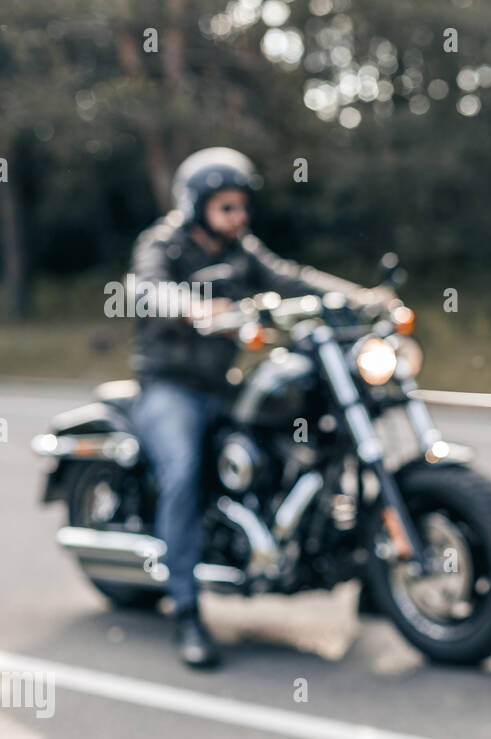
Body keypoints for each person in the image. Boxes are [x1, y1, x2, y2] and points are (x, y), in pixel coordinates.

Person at [129, 147, 378, 668]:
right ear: (197, 206)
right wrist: (193, 306)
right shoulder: (163, 243)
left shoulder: (242, 250)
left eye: (241, 206)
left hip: (222, 386)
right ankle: (187, 610)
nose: (238, 216)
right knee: (183, 472)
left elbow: (292, 278)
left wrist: (359, 298)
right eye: (226, 207)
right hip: (169, 388)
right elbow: (146, 290)